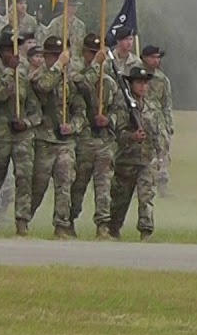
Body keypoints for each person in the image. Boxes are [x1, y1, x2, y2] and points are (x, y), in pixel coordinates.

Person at [0, 32, 41, 236]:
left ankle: (22, 220)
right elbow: (0, 94)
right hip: (0, 136)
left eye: (16, 51)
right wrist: (10, 71)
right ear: (2, 53)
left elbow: (36, 111)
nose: (14, 55)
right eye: (9, 51)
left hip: (22, 136)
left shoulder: (23, 77)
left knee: (24, 177)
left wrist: (25, 123)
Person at [29, 36, 86, 238]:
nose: (56, 59)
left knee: (65, 183)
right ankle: (24, 220)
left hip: (65, 142)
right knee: (38, 185)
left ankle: (61, 224)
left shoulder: (71, 80)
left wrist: (73, 126)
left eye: (59, 55)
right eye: (52, 56)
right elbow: (43, 86)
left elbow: (80, 109)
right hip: (44, 139)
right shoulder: (38, 75)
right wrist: (58, 66)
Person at [70, 33, 119, 237]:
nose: (95, 57)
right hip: (83, 140)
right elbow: (80, 85)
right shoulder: (76, 73)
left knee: (103, 186)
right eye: (91, 53)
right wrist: (94, 67)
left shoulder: (109, 83)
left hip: (104, 141)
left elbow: (119, 108)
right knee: (78, 185)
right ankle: (68, 221)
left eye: (98, 54)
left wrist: (109, 120)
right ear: (84, 53)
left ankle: (102, 225)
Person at [110, 66, 163, 240]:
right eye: (139, 83)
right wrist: (132, 136)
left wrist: (160, 155)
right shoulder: (122, 105)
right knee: (120, 199)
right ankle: (113, 229)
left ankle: (146, 230)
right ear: (131, 85)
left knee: (146, 195)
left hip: (147, 159)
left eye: (145, 83)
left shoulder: (152, 106)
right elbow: (117, 132)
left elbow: (156, 133)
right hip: (126, 159)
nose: (143, 87)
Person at [141, 45, 175, 196]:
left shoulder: (162, 79)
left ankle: (162, 183)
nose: (156, 60)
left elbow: (166, 104)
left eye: (158, 57)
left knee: (162, 153)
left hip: (158, 121)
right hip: (141, 118)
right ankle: (141, 183)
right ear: (144, 58)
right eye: (153, 57)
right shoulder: (137, 76)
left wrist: (169, 124)